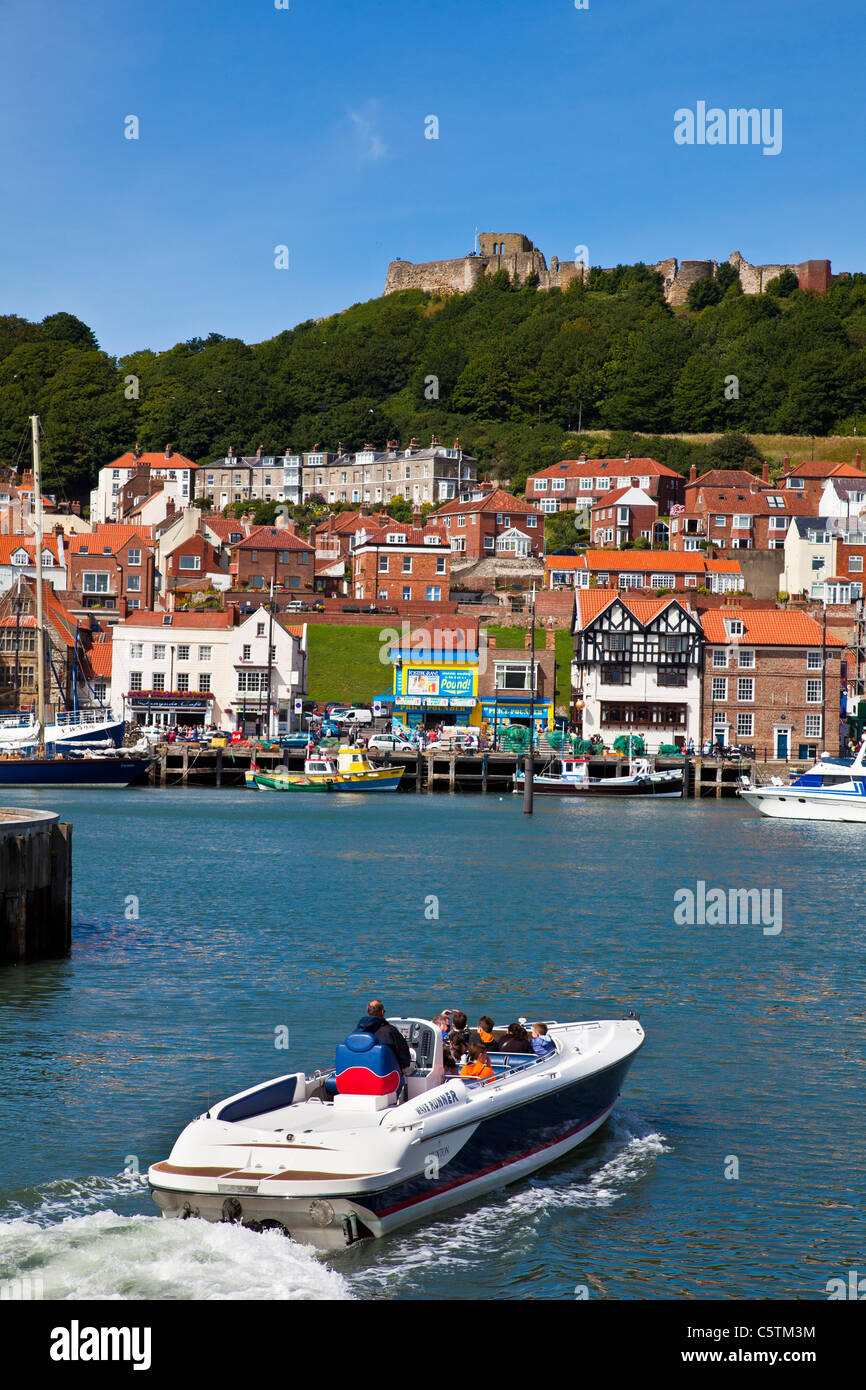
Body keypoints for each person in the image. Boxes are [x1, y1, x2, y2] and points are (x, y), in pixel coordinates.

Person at [354, 1000, 412, 1074]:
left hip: (361, 1073)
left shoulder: (357, 1032)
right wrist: (404, 1067)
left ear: (368, 1012)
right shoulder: (390, 1031)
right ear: (382, 1012)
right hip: (385, 1075)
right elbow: (403, 1053)